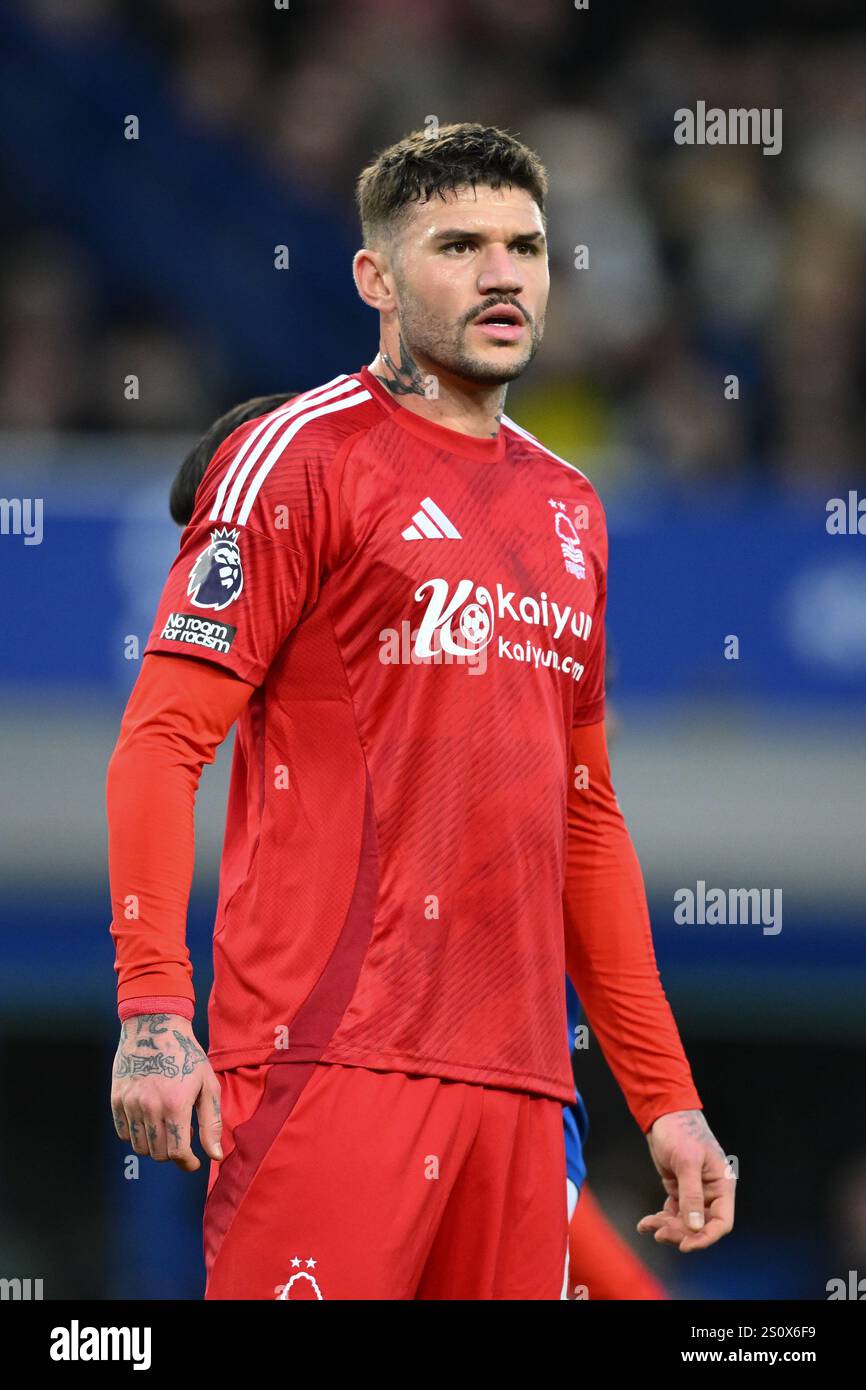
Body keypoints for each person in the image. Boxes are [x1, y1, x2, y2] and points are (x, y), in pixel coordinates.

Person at [107, 122, 734, 1301]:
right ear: (376, 280)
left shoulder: (571, 509)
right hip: (328, 1063)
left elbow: (586, 825)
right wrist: (152, 1009)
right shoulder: (297, 457)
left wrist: (666, 1098)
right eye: (459, 245)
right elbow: (158, 743)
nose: (504, 273)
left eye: (526, 246)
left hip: (522, 1090)